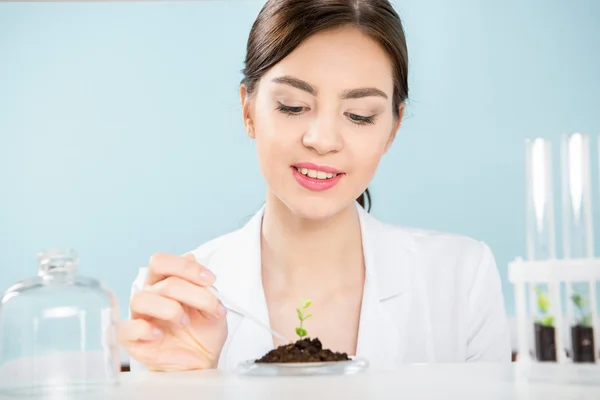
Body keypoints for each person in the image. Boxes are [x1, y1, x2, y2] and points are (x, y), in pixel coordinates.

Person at [119, 0, 511, 372]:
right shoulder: (175, 302)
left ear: (393, 128)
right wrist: (190, 385)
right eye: (293, 106)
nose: (323, 140)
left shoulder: (462, 279)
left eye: (359, 116)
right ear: (248, 110)